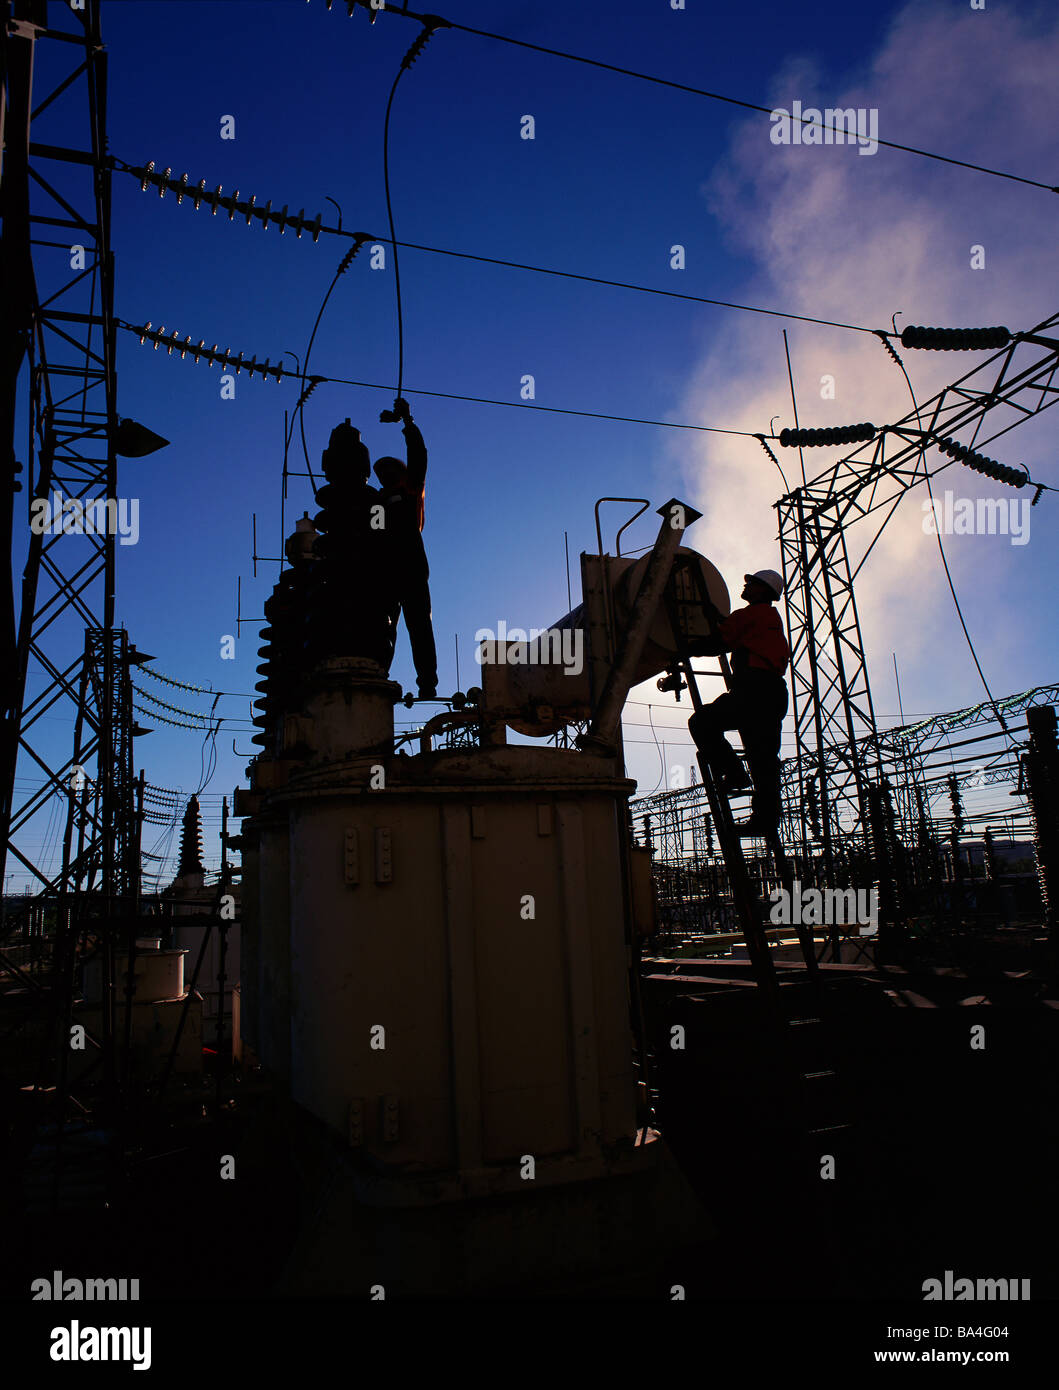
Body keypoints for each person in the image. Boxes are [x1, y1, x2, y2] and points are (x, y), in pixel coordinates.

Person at [688, 569, 790, 836]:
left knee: (702, 722)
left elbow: (718, 642)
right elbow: (735, 632)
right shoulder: (768, 618)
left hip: (755, 691)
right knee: (764, 760)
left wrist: (683, 649)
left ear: (764, 590)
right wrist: (720, 620)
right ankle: (765, 821)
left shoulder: (752, 615)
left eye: (751, 583)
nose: (745, 586)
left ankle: (733, 773)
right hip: (771, 693)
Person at [373, 397, 438, 698]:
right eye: (380, 473)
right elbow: (373, 535)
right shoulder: (378, 504)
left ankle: (427, 683)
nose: (383, 476)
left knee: (418, 624)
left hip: (410, 567)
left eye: (388, 471)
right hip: (387, 571)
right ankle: (377, 673)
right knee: (383, 626)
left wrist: (407, 422)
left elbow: (419, 454)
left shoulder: (411, 489)